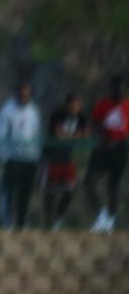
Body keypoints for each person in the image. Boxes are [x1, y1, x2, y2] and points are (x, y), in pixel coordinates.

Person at [0, 82, 43, 230]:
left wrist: (37, 154)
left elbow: (37, 132)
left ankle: (21, 221)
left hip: (30, 158)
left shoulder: (34, 110)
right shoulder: (7, 110)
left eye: (27, 94)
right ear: (17, 94)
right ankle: (7, 222)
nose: (24, 97)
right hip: (13, 158)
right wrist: (3, 156)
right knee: (9, 190)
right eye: (22, 94)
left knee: (25, 192)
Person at [88, 78, 127, 232]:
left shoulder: (127, 106)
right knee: (89, 182)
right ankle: (101, 214)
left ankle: (110, 221)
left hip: (120, 149)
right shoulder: (103, 104)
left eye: (121, 89)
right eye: (115, 89)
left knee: (114, 186)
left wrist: (119, 140)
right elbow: (94, 123)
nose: (118, 92)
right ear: (111, 89)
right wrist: (102, 137)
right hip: (102, 148)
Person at [41, 94, 85, 229]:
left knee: (70, 190)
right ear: (66, 106)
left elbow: (83, 134)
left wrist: (71, 137)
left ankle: (58, 219)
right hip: (51, 157)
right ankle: (49, 222)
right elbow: (58, 133)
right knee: (50, 192)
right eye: (72, 105)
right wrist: (73, 136)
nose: (74, 108)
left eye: (77, 106)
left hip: (67, 158)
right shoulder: (57, 115)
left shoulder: (81, 118)